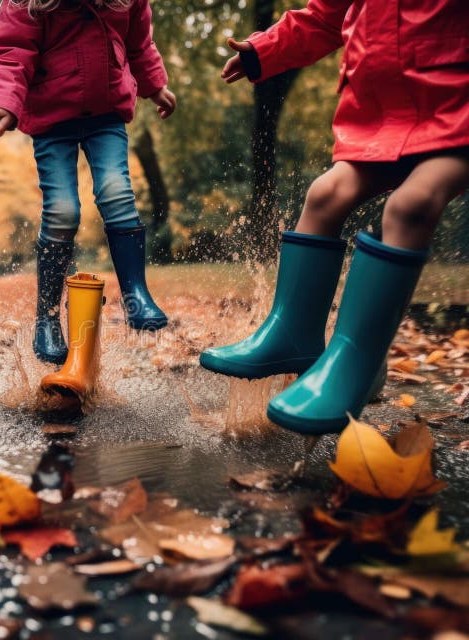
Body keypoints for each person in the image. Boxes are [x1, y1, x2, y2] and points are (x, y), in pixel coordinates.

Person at [200, 0, 469, 434]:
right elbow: (324, 17)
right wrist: (262, 50)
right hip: (382, 117)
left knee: (410, 205)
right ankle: (291, 334)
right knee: (325, 194)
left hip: (456, 111)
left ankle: (352, 362)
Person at [0, 0, 177, 365]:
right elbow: (12, 54)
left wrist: (155, 84)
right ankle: (46, 319)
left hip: (106, 114)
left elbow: (139, 43)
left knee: (116, 191)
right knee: (62, 211)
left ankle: (135, 294)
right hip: (52, 121)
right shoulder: (29, 4)